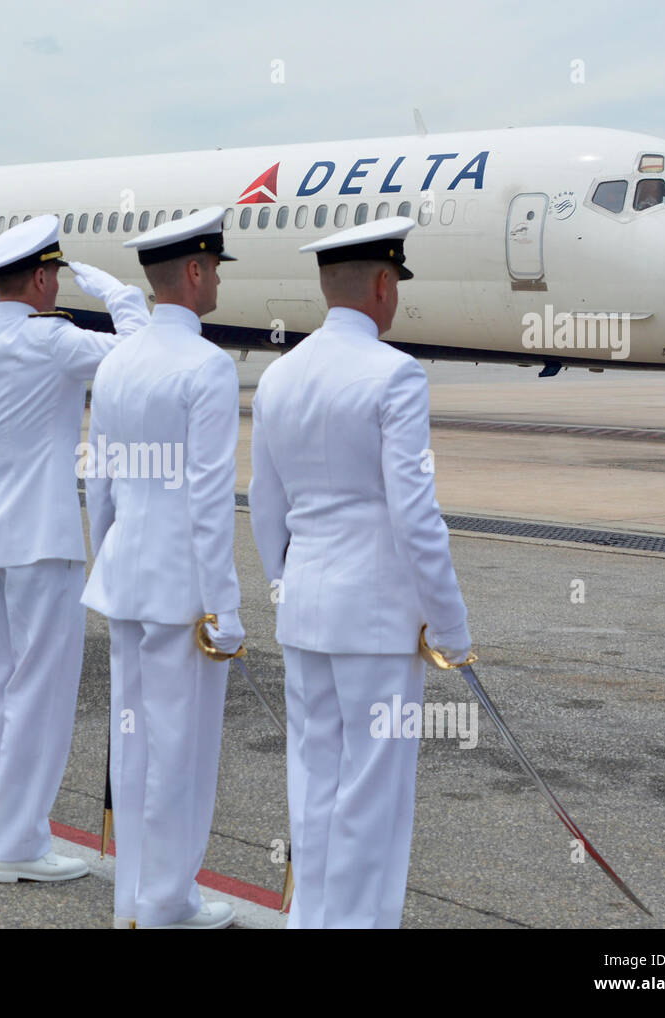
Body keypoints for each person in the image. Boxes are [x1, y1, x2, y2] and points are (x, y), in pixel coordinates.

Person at [248, 217, 472, 928]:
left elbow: (264, 503)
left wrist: (285, 585)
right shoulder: (394, 374)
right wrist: (451, 624)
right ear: (384, 284)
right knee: (372, 799)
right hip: (375, 619)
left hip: (307, 609)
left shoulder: (281, 375)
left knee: (313, 783)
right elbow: (415, 514)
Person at [0, 214, 148, 882]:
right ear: (44, 276)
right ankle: (20, 844)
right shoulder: (53, 340)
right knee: (41, 692)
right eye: (54, 273)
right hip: (45, 538)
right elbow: (142, 361)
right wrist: (125, 302)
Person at [82, 207, 243, 929]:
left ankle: (134, 902)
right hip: (182, 586)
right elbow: (210, 498)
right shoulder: (205, 366)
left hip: (127, 573)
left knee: (134, 741)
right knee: (181, 752)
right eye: (214, 270)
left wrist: (108, 552)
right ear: (197, 271)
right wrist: (226, 606)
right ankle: (167, 902)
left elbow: (101, 481)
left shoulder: (119, 360)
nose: (216, 283)